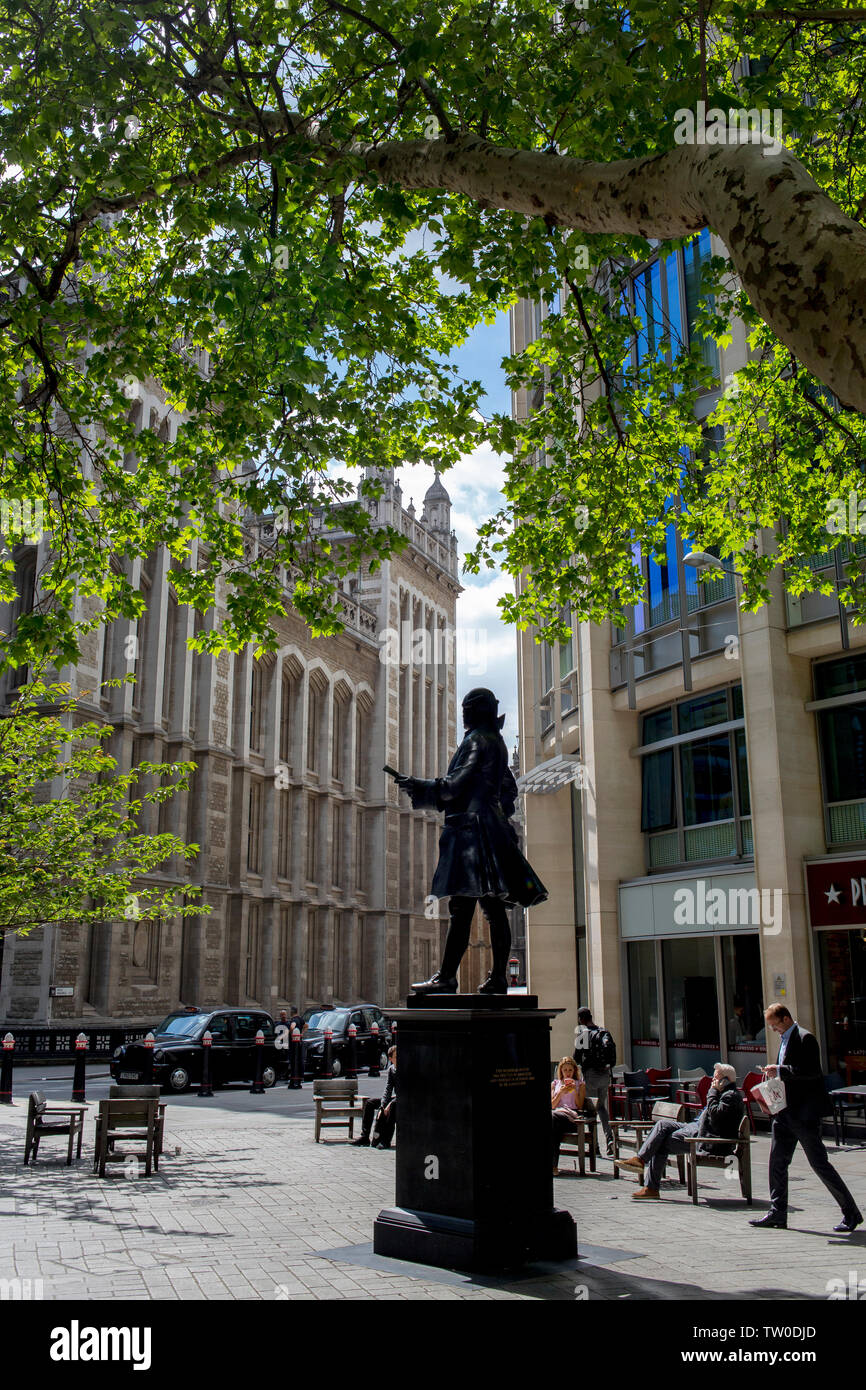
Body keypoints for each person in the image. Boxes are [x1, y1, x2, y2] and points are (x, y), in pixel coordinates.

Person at [396, 688, 547, 995]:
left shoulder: (477, 740)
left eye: (467, 708)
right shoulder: (497, 742)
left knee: (461, 908)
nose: (463, 714)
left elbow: (454, 786)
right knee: (492, 908)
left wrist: (419, 786)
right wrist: (497, 812)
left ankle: (448, 977)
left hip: (471, 836)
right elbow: (508, 788)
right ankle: (497, 978)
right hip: (489, 832)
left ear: (478, 711)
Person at [749, 1003, 863, 1233]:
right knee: (777, 1162)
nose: (773, 1030)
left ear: (785, 1019)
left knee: (819, 1163)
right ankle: (777, 1212)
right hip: (784, 1112)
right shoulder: (784, 1039)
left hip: (803, 1114)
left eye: (774, 1025)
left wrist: (780, 1070)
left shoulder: (805, 1038)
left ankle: (851, 1213)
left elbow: (811, 1071)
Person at [619, 1062, 744, 1200]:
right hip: (697, 1128)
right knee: (662, 1125)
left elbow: (715, 1115)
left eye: (715, 1078)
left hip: (706, 1139)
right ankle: (640, 1161)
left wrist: (712, 1092)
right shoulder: (725, 1094)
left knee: (659, 1142)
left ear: (725, 1080)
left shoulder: (730, 1096)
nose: (712, 1082)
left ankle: (651, 1186)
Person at [572, 1006, 615, 1157]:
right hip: (605, 1074)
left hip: (590, 1075)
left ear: (581, 1019)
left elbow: (576, 1058)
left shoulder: (583, 1033)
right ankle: (610, 1140)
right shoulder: (603, 1031)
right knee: (602, 1108)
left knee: (591, 1111)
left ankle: (594, 1146)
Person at [352, 1046, 397, 1148]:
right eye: (395, 1057)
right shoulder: (391, 1069)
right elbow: (388, 1089)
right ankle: (365, 1137)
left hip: (403, 1101)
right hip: (393, 1099)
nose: (398, 1059)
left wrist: (388, 1105)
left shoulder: (405, 1069)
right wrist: (382, 1106)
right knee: (370, 1103)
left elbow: (404, 1091)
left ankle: (386, 1140)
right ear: (390, 1059)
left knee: (393, 1106)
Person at [551, 1057, 587, 1176]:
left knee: (553, 1121)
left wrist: (574, 1091)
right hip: (556, 1116)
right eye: (565, 1070)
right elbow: (552, 1105)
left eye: (570, 1070)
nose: (567, 1073)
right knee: (554, 1128)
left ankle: (554, 1166)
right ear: (560, 1071)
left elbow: (580, 1106)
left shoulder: (579, 1084)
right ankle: (553, 1166)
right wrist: (560, 1093)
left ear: (574, 1071)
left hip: (571, 1117)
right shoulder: (555, 1084)